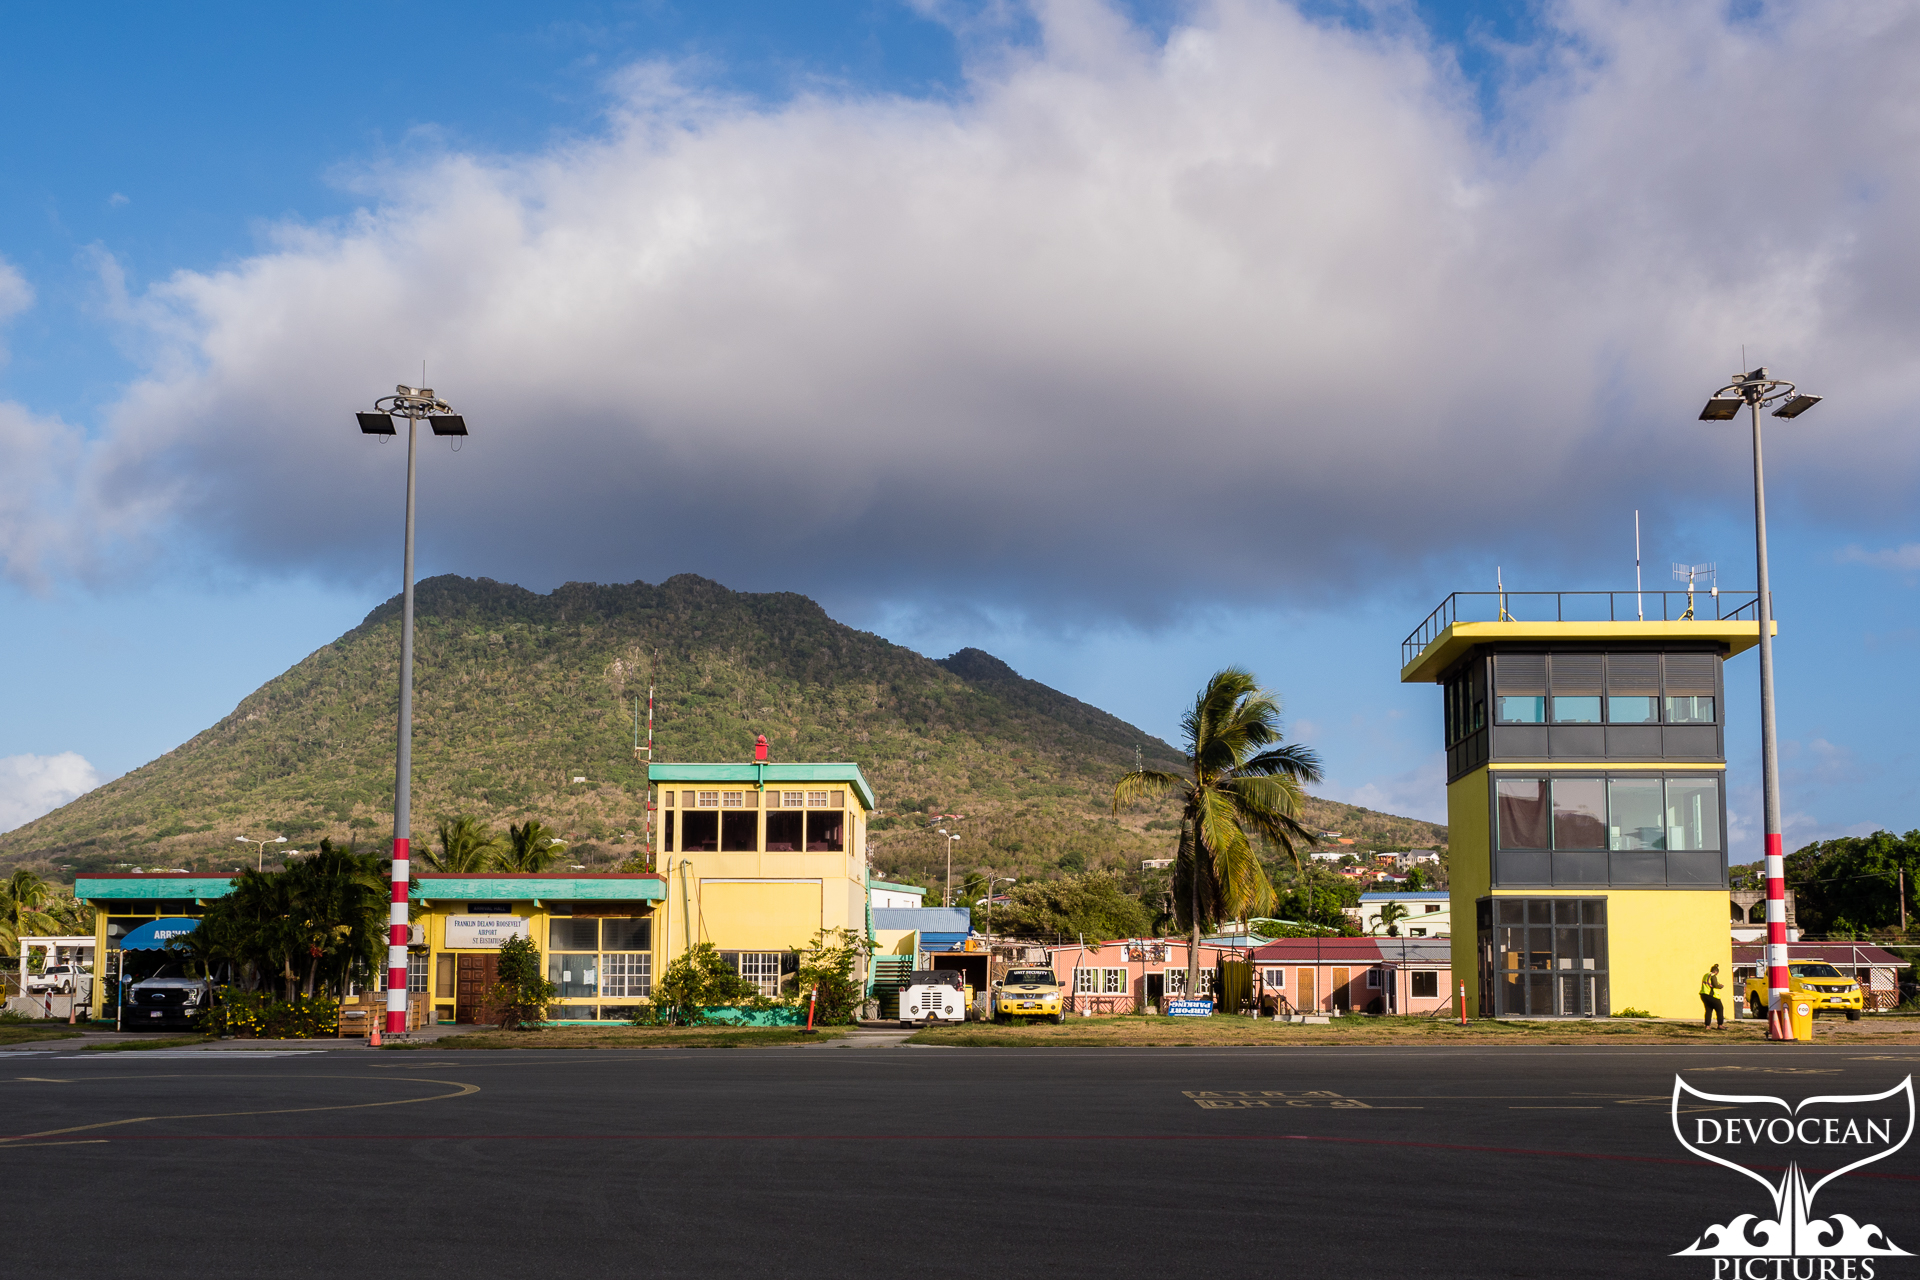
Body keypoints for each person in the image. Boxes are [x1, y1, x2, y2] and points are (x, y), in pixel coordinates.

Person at [1700, 963, 1726, 1028]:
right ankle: (1720, 1025)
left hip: (1704, 994)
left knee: (1709, 1009)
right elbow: (1715, 985)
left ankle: (1707, 1025)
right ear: (1716, 971)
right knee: (1720, 1008)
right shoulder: (1713, 975)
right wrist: (1720, 986)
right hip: (1711, 995)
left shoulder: (1706, 975)